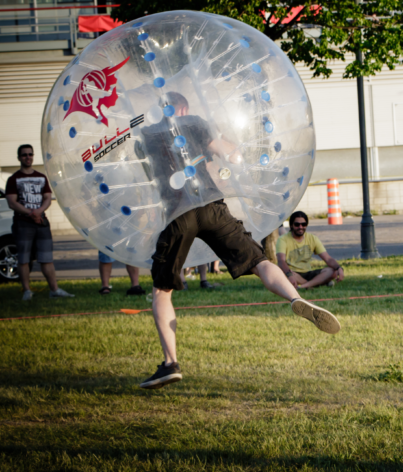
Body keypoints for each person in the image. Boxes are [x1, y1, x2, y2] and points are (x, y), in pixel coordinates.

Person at [138, 92, 340, 390]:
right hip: (211, 207)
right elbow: (228, 153)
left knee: (162, 290)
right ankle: (296, 299)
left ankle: (170, 363)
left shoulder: (148, 135)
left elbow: (153, 180)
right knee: (259, 261)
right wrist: (232, 150)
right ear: (183, 107)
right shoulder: (194, 122)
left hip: (177, 213)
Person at [4, 144, 73, 301]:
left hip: (41, 222)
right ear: (19, 158)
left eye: (30, 154)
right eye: (24, 155)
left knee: (46, 257)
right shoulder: (13, 179)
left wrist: (39, 211)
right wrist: (30, 213)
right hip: (23, 223)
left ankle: (54, 289)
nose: (27, 157)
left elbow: (48, 197)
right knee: (24, 258)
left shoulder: (41, 177)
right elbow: (12, 202)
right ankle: (27, 290)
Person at [277, 211, 345, 289]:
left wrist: (339, 268)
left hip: (308, 273)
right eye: (297, 224)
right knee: (281, 273)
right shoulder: (282, 239)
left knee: (333, 271)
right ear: (291, 225)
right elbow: (281, 261)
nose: (300, 227)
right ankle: (318, 282)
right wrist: (289, 275)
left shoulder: (312, 238)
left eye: (303, 224)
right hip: (293, 273)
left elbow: (327, 258)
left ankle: (303, 286)